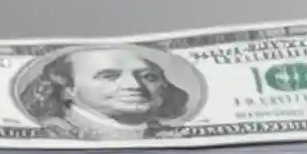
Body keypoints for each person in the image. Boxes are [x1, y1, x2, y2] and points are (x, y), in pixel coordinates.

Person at [18, 47, 192, 139]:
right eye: (108, 76)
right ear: (68, 87)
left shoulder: (170, 135)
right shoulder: (51, 134)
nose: (134, 85)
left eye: (149, 77)